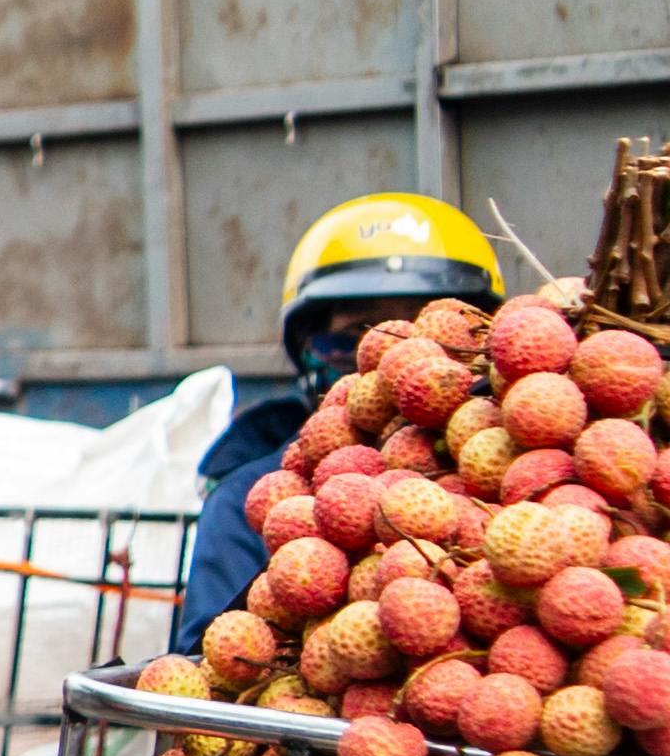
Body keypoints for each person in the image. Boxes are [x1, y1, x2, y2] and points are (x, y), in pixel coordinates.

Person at [180, 190, 502, 630]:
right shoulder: (252, 499)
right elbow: (215, 660)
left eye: (422, 328)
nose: (394, 360)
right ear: (311, 352)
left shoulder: (512, 479)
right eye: (360, 333)